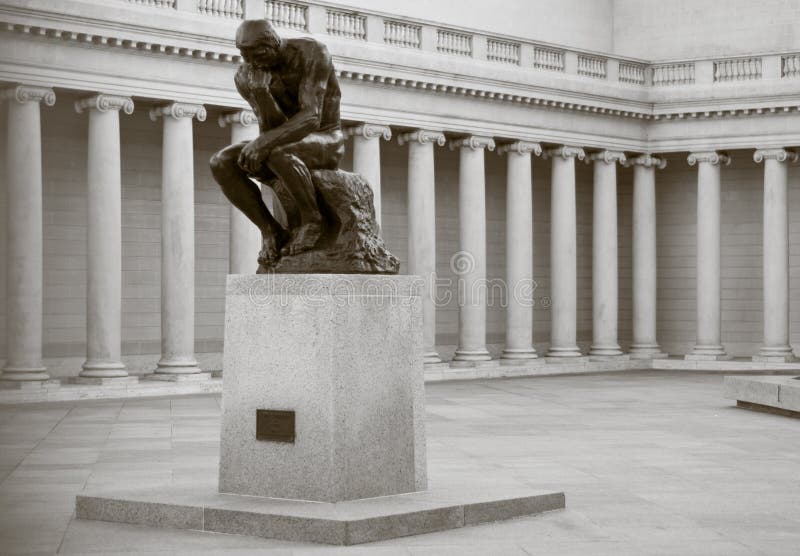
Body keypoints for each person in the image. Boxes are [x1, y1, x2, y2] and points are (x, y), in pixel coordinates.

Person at [210, 19, 345, 264]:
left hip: (327, 139)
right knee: (222, 162)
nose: (251, 62)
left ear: (272, 45)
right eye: (245, 56)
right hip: (284, 144)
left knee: (274, 148)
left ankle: (313, 220)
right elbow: (269, 129)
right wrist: (262, 95)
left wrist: (264, 144)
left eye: (255, 55)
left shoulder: (312, 53)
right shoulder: (247, 75)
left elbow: (312, 116)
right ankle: (271, 230)